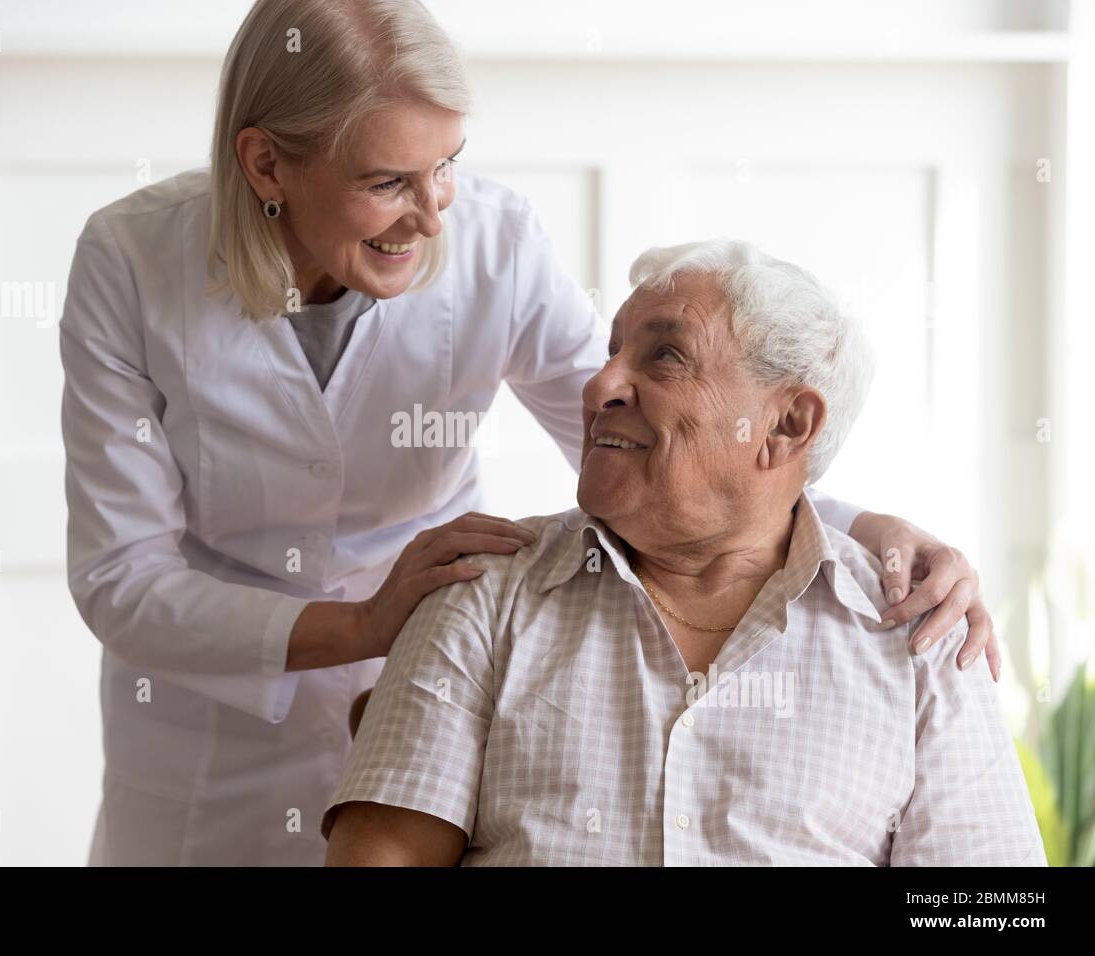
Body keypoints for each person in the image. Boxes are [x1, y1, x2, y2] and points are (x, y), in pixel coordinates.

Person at [60, 0, 1000, 866]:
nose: (432, 218)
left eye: (447, 167)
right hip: (217, 730)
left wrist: (871, 533)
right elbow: (122, 577)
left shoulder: (494, 241)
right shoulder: (133, 262)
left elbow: (665, 451)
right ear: (267, 164)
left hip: (425, 677)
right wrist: (361, 623)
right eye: (389, 181)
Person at [322, 241, 1045, 866]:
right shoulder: (481, 590)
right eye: (612, 351)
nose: (600, 384)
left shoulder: (921, 640)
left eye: (665, 355)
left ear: (788, 425)